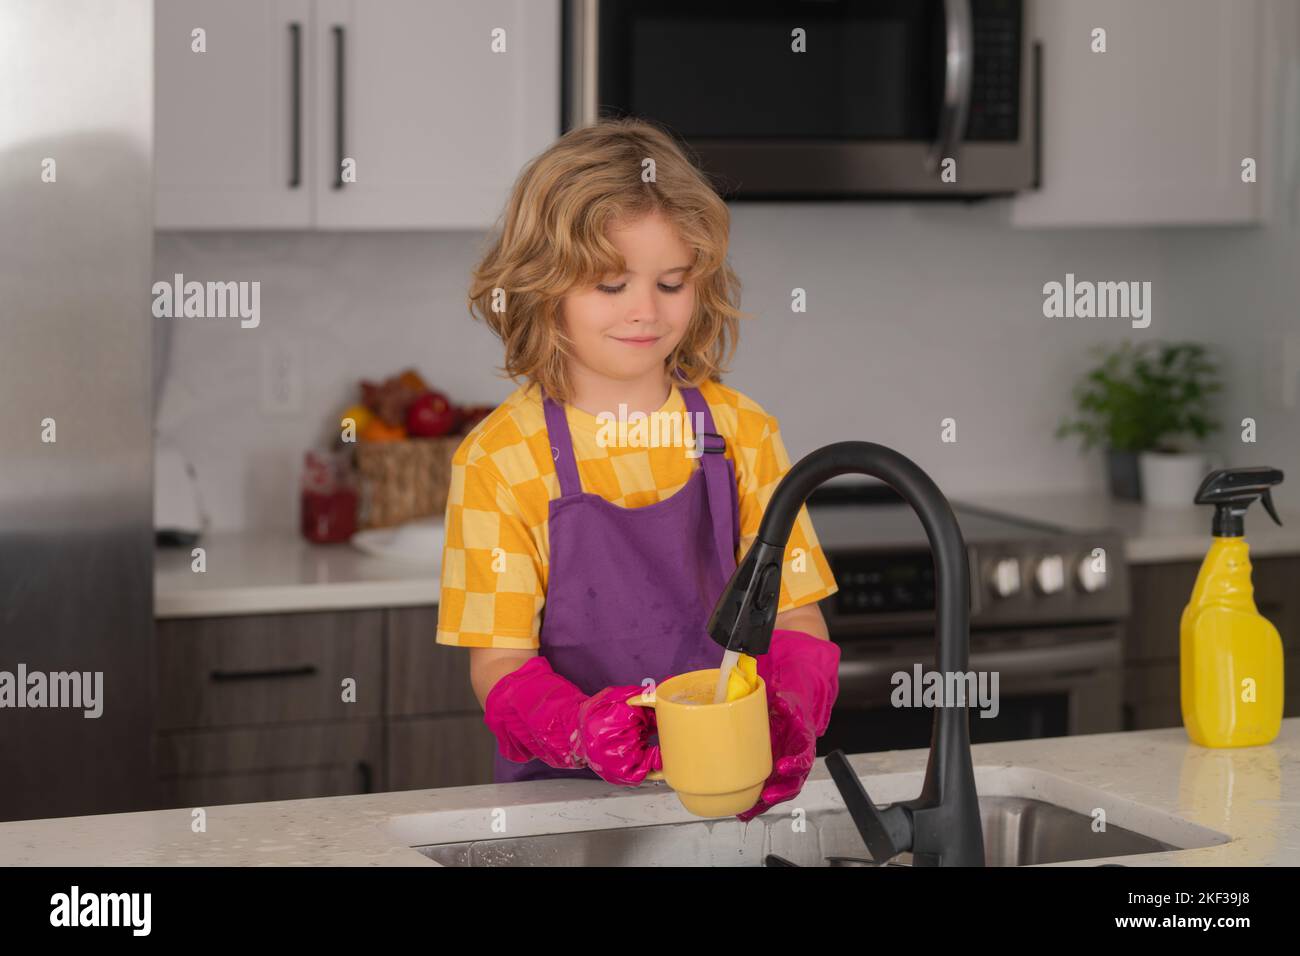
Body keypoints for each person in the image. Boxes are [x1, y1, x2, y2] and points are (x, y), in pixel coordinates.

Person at [435, 117, 841, 821]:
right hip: (564, 819)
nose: (646, 311)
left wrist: (790, 711)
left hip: (724, 802)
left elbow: (797, 617)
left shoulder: (742, 432)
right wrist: (586, 731)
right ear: (542, 287)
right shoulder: (500, 459)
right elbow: (498, 666)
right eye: (610, 284)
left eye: (672, 282)